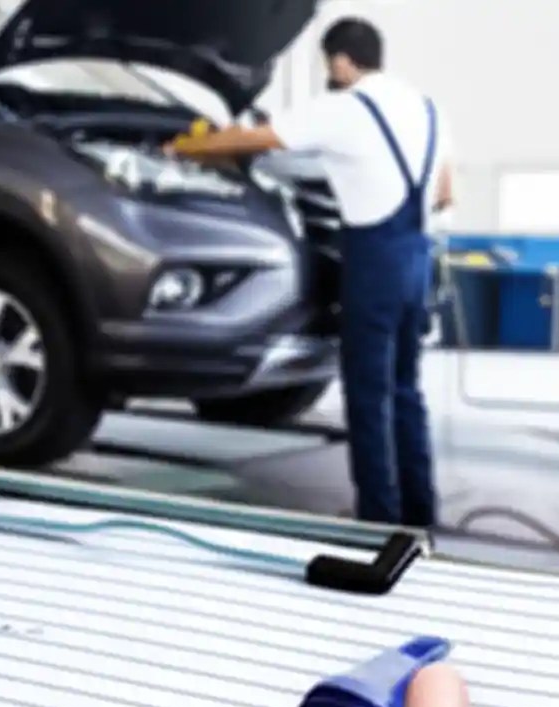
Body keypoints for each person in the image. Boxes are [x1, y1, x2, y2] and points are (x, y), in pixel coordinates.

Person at [168, 18, 455, 527]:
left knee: (367, 393)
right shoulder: (426, 108)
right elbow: (445, 192)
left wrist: (186, 148)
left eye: (329, 63)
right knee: (405, 390)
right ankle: (419, 511)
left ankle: (377, 518)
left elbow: (258, 139)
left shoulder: (343, 107)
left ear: (340, 61)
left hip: (374, 264)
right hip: (418, 259)